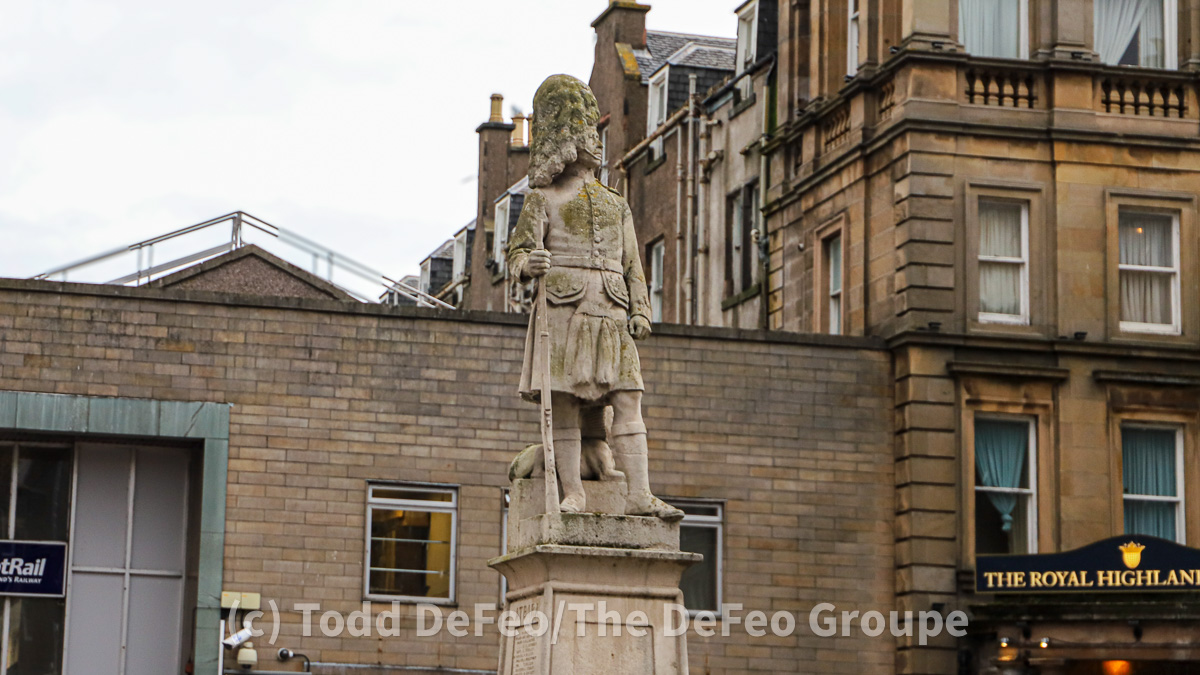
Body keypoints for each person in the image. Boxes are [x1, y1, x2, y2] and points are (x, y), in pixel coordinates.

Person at [508, 74, 682, 522]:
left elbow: (633, 263)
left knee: (628, 398)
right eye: (581, 133)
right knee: (564, 401)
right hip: (563, 309)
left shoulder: (614, 202)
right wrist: (529, 264)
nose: (590, 145)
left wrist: (641, 309)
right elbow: (518, 253)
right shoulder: (541, 198)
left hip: (610, 307)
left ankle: (640, 493)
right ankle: (574, 494)